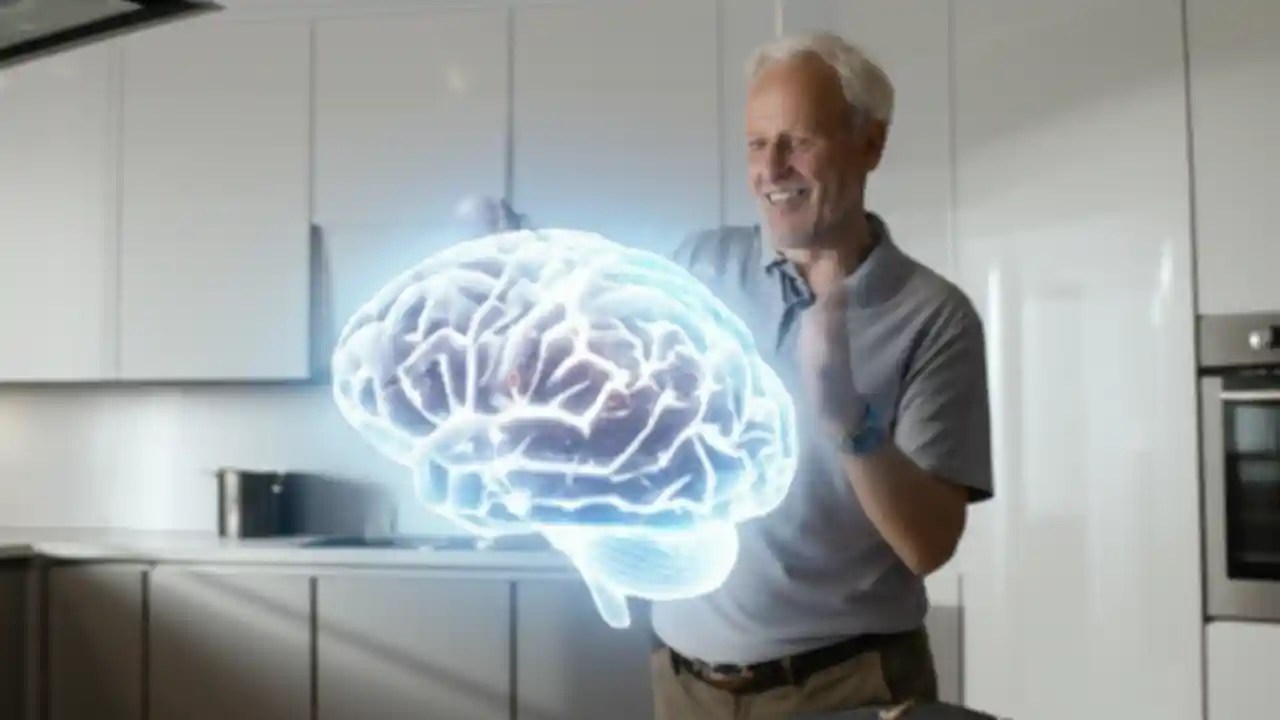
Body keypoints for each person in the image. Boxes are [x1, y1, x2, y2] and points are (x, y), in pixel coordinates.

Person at [649, 32, 994, 718]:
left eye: (798, 141)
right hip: (684, 686)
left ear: (870, 144)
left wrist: (847, 415)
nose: (772, 168)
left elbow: (927, 545)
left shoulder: (933, 317)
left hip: (844, 690)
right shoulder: (696, 268)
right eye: (755, 143)